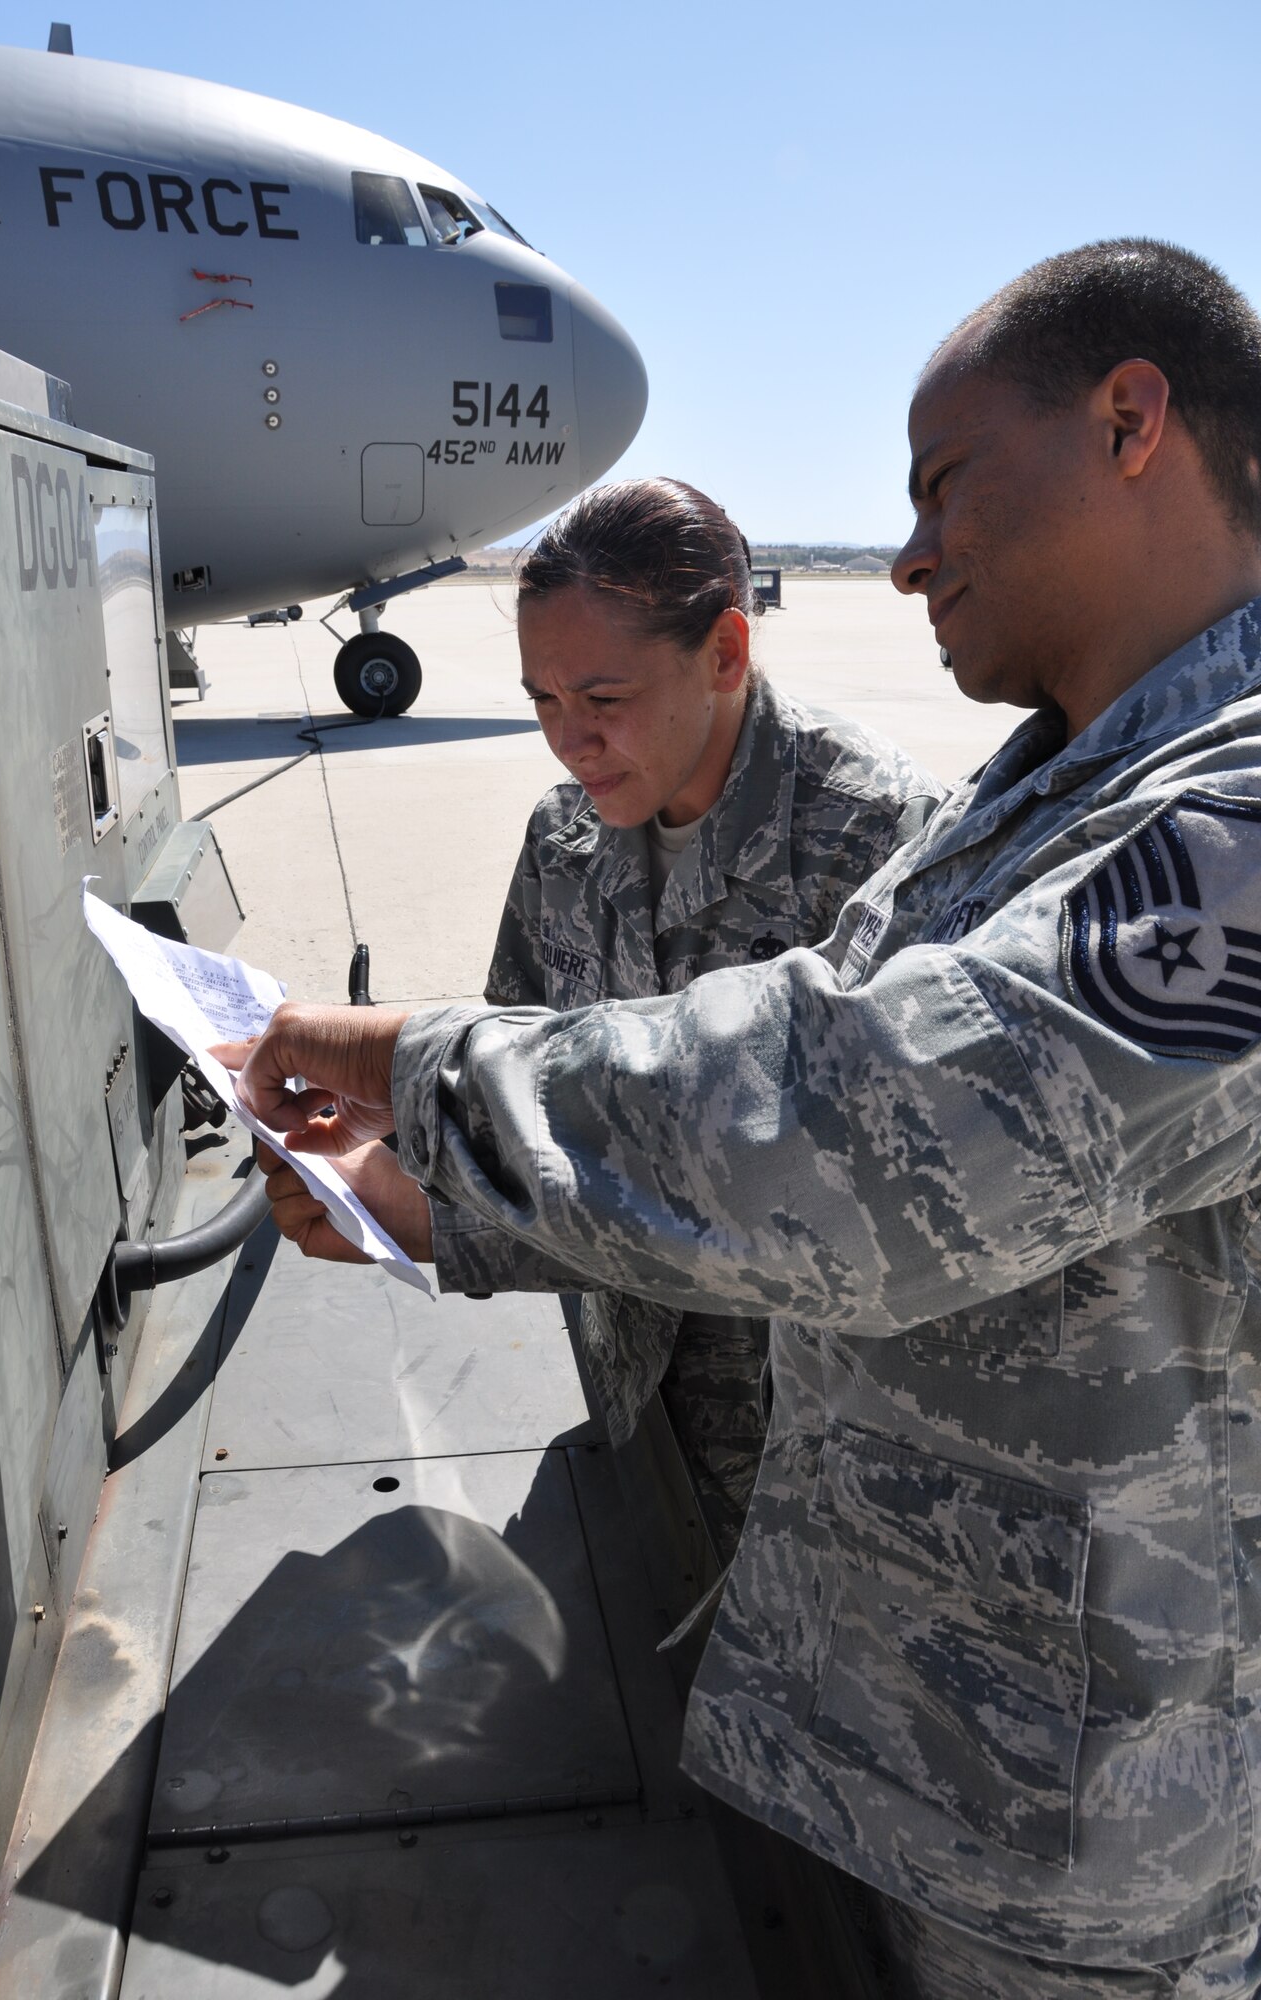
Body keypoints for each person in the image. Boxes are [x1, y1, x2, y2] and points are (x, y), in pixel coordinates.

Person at [220, 240, 1261, 1998]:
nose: (910, 554)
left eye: (945, 483)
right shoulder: (1045, 787)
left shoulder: (1229, 807)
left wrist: (425, 1071)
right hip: (938, 1741)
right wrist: (432, 1200)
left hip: (1098, 1823)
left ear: (1129, 420)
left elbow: (870, 1129)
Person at [482, 476, 941, 1556]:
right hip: (628, 1382)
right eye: (542, 701)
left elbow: (899, 1191)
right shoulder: (564, 839)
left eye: (602, 697)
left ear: (724, 652)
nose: (569, 741)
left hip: (813, 1455)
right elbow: (513, 1066)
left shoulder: (876, 839)